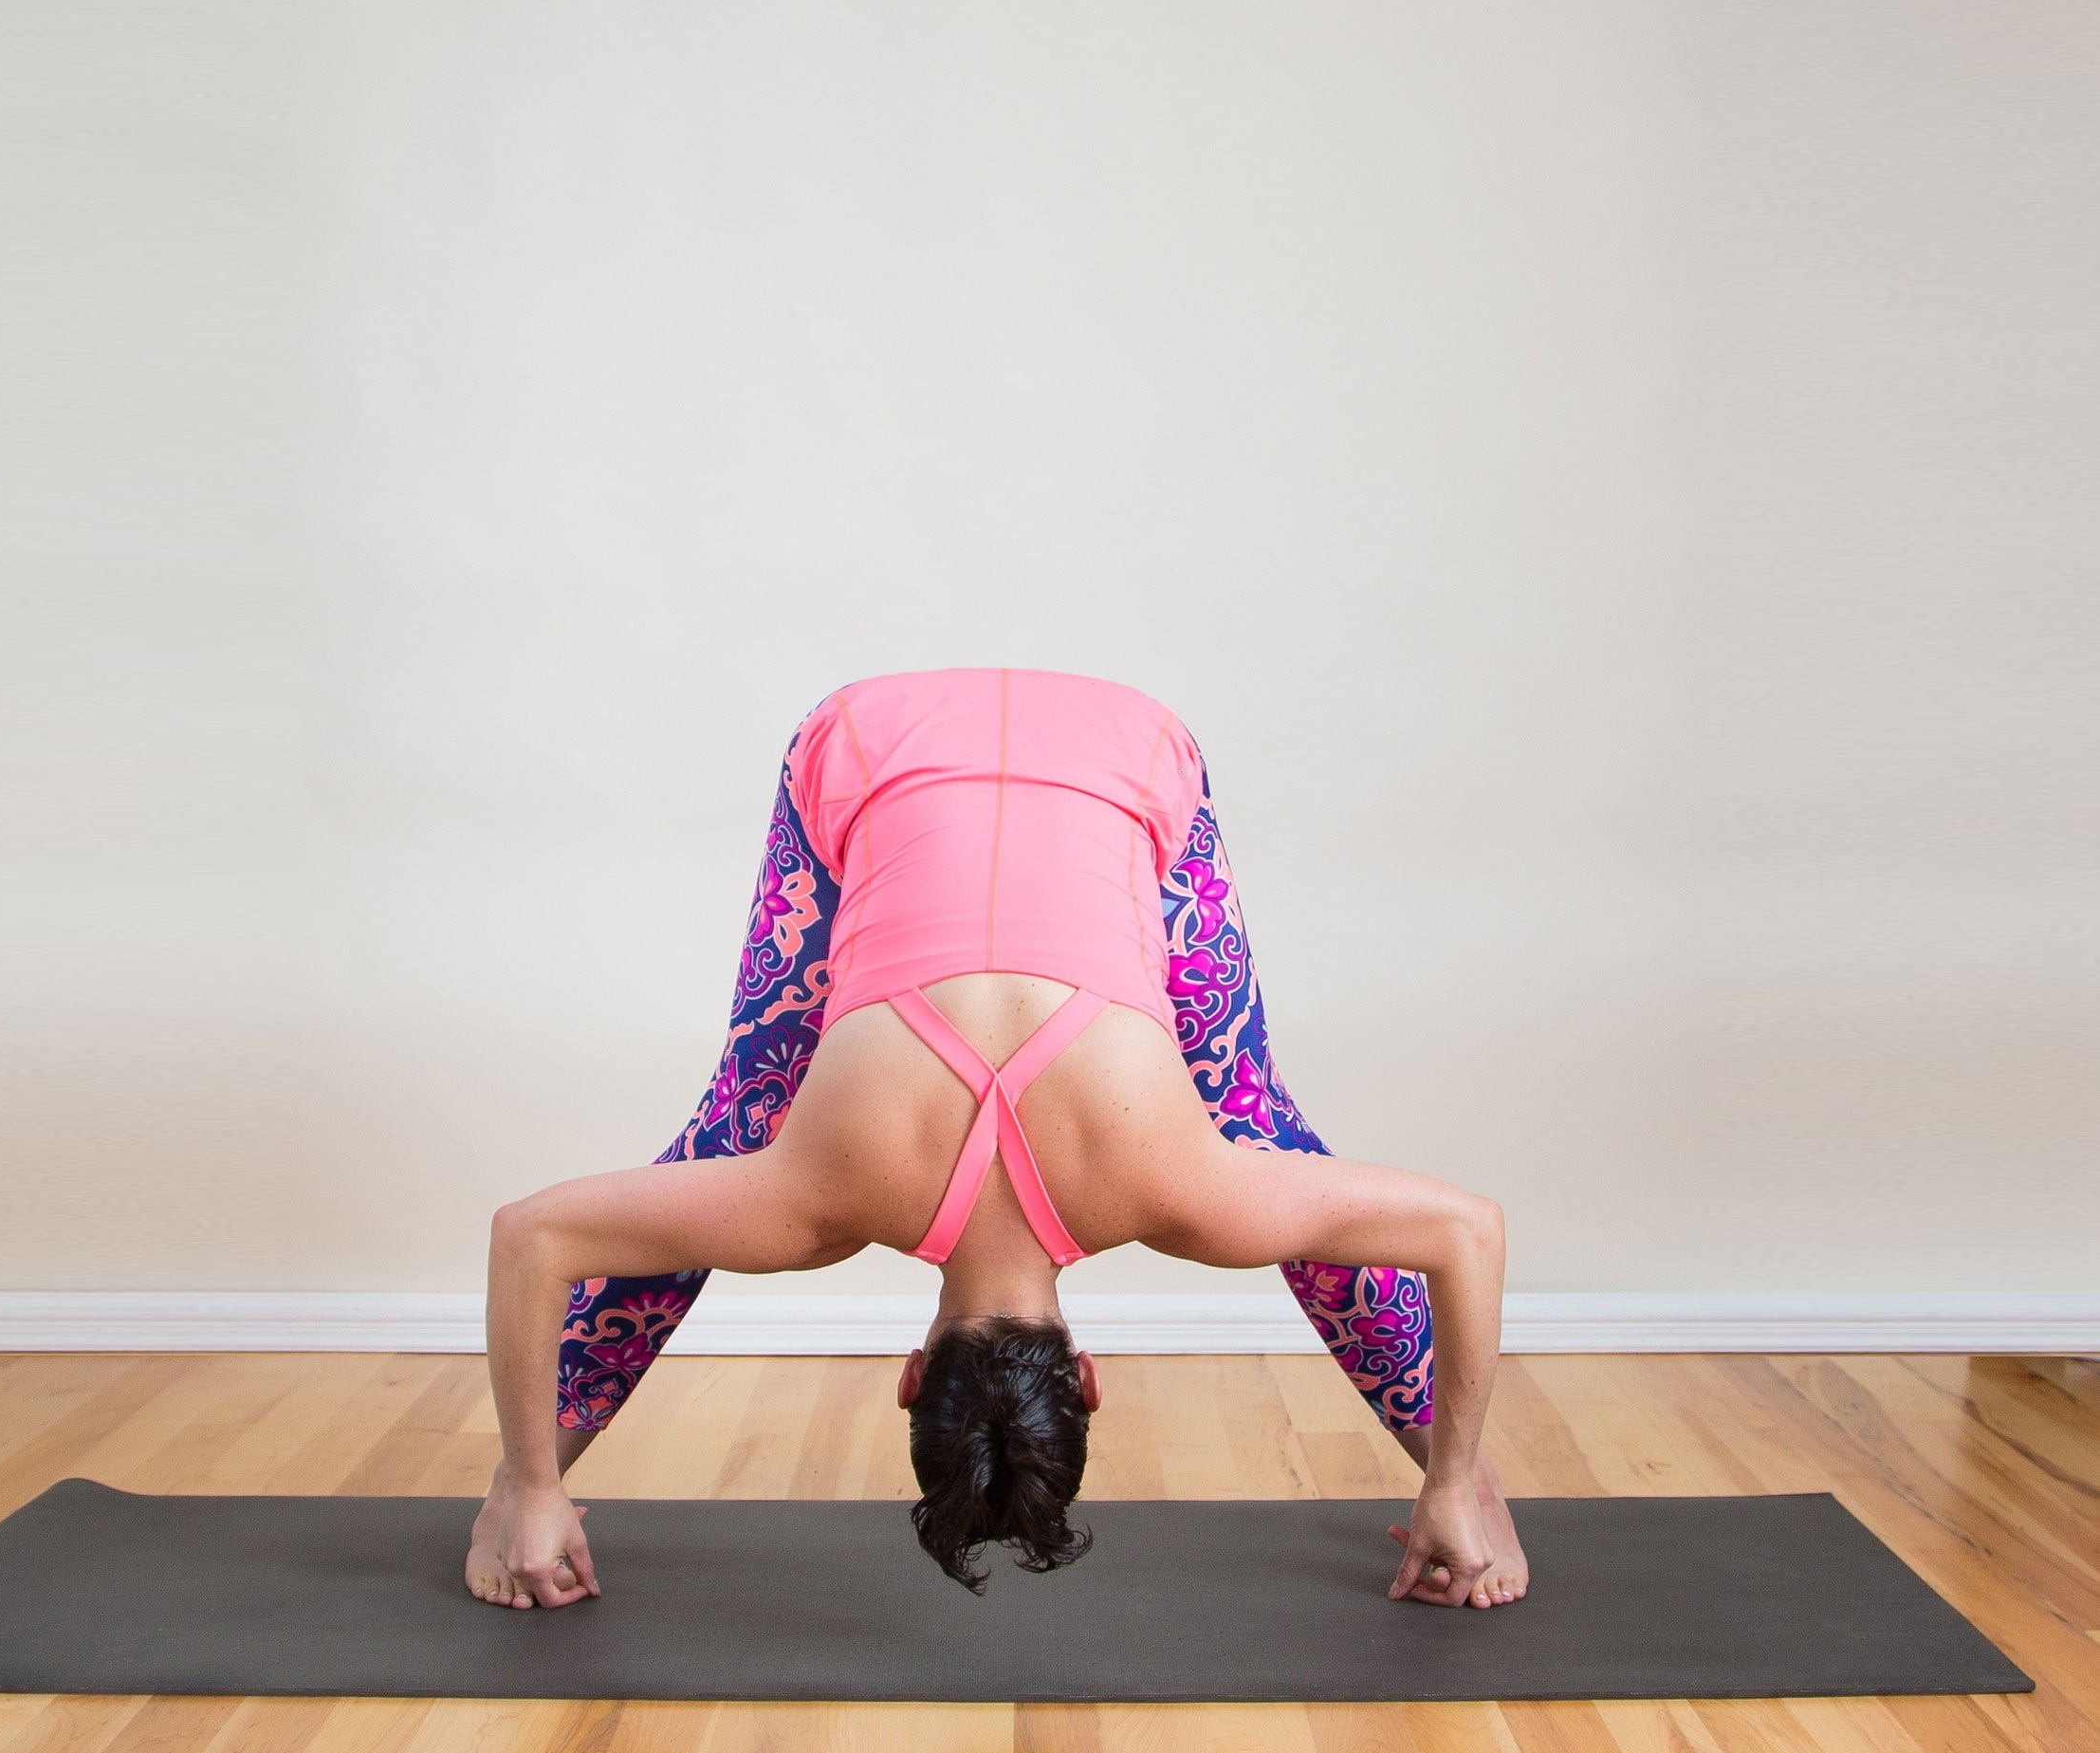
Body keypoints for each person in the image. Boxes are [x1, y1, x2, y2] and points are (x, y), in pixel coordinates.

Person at [469, 669, 1524, 1613]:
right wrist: (1445, 1477)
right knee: (1245, 1124)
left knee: (746, 1127)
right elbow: (533, 1238)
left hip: (1082, 747)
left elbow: (1464, 1234)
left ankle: (528, 1484)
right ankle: (1465, 1487)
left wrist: (533, 1482)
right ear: (910, 1377)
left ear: (1092, 1375)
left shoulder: (1182, 1190)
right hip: (968, 744)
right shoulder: (818, 1198)